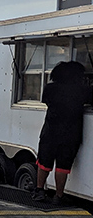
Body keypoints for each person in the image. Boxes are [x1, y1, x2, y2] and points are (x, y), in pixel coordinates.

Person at [32, 61, 91, 204]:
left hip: (50, 131)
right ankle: (58, 196)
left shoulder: (50, 88)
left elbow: (46, 101)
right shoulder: (82, 90)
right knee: (63, 166)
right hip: (71, 133)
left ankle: (40, 190)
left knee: (44, 162)